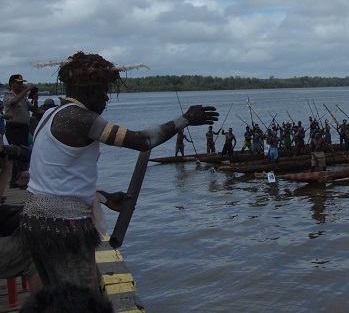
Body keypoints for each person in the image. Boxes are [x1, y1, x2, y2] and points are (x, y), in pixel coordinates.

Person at [19, 51, 218, 292]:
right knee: (77, 298)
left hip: (37, 221)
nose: (106, 99)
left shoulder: (50, 114)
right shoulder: (80, 118)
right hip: (63, 227)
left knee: (57, 295)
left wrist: (102, 197)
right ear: (90, 90)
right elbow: (143, 141)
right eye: (104, 92)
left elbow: (56, 176)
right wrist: (185, 119)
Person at [3, 74, 43, 189]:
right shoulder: (8, 96)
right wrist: (27, 90)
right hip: (14, 128)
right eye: (18, 82)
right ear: (11, 84)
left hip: (24, 128)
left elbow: (34, 110)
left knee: (20, 154)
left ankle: (14, 181)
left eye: (22, 82)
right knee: (19, 154)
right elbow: (14, 102)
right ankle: (22, 182)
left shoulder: (23, 98)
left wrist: (35, 100)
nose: (21, 85)